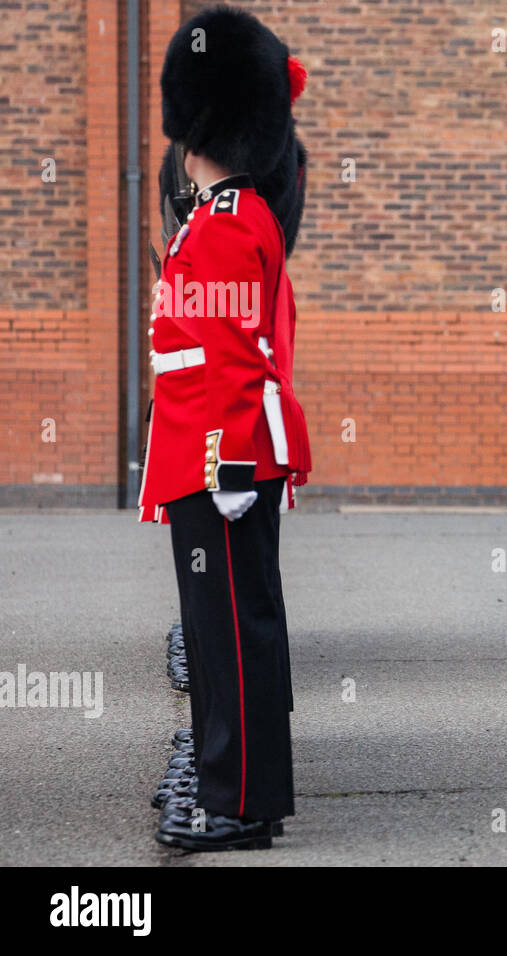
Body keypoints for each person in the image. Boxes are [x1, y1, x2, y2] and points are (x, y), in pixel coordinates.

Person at [140, 5, 311, 851]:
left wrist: (232, 468)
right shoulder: (228, 218)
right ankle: (231, 783)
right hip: (206, 453)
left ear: (196, 130)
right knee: (227, 630)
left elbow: (239, 358)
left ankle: (237, 801)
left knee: (234, 636)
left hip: (219, 460)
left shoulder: (226, 224)